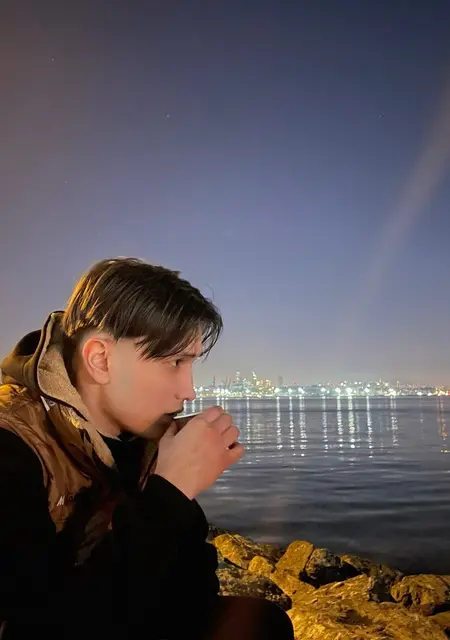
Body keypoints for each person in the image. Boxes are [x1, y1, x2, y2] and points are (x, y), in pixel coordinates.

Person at [0, 257, 294, 640]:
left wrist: (177, 491)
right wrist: (169, 493)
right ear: (100, 360)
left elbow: (189, 597)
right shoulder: (12, 446)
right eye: (175, 362)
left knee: (258, 621)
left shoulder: (142, 438)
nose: (189, 391)